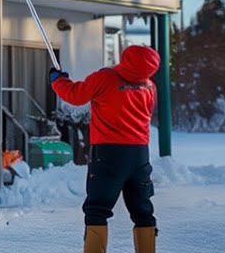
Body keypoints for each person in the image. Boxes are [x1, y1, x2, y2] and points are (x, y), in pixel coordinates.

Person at [49, 45, 161, 253]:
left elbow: (75, 95)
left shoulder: (105, 78)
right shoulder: (149, 87)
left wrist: (57, 80)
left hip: (109, 154)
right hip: (139, 155)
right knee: (142, 210)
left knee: (97, 210)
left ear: (125, 59)